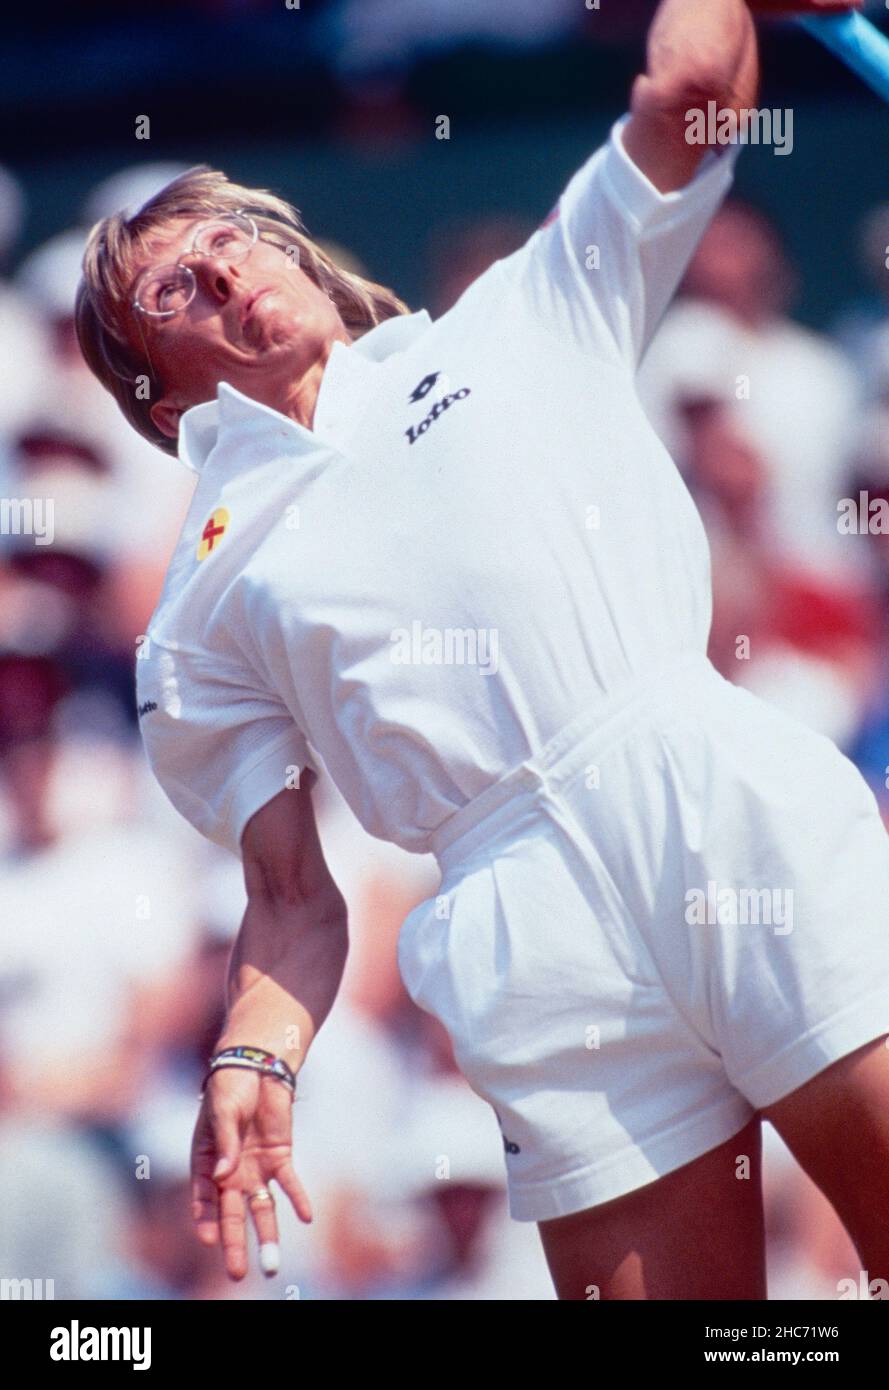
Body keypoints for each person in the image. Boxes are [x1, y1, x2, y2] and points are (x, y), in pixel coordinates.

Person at [73, 0, 889, 1300]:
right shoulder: (195, 610)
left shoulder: (518, 311)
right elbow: (289, 898)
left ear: (291, 248)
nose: (225, 270)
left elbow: (689, 89)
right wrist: (253, 1056)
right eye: (174, 282)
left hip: (723, 807)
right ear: (153, 397)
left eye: (233, 237)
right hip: (525, 938)